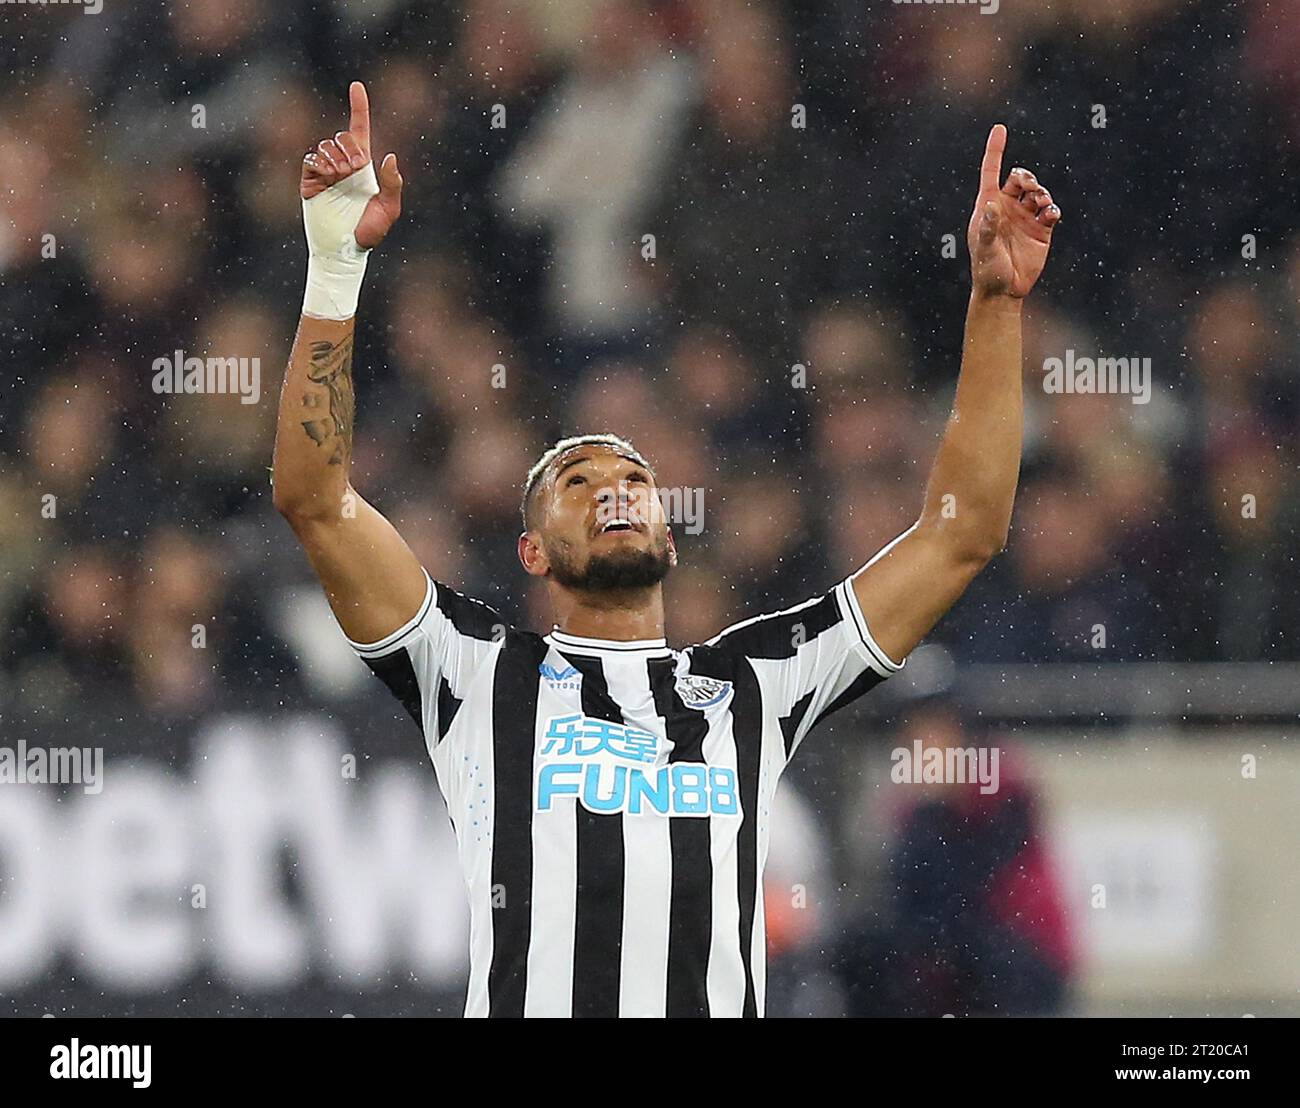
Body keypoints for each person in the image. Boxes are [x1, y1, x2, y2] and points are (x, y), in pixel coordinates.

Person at [271, 82, 1061, 1018]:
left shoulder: (756, 681)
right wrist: (332, 265)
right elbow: (316, 499)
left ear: (671, 536)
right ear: (531, 553)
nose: (615, 489)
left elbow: (963, 533)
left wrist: (995, 302)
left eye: (636, 482)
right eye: (578, 481)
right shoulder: (475, 673)